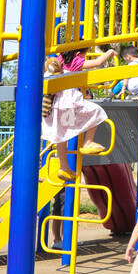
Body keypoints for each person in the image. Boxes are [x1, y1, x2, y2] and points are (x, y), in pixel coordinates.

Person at [42, 47, 118, 179]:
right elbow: (98, 62)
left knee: (62, 135)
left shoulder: (59, 59)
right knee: (97, 111)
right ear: (77, 54)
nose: (85, 58)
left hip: (57, 103)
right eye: (85, 55)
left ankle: (64, 167)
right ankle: (88, 142)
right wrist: (110, 52)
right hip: (69, 101)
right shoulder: (76, 61)